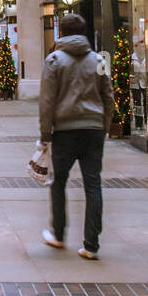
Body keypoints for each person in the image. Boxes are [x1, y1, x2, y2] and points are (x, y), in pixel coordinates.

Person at [38, 13, 113, 260]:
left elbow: (47, 101)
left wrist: (45, 133)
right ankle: (91, 245)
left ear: (62, 31)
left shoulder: (53, 60)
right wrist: (105, 126)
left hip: (64, 131)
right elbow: (108, 97)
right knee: (93, 185)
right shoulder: (99, 60)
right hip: (93, 130)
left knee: (58, 182)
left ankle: (58, 234)